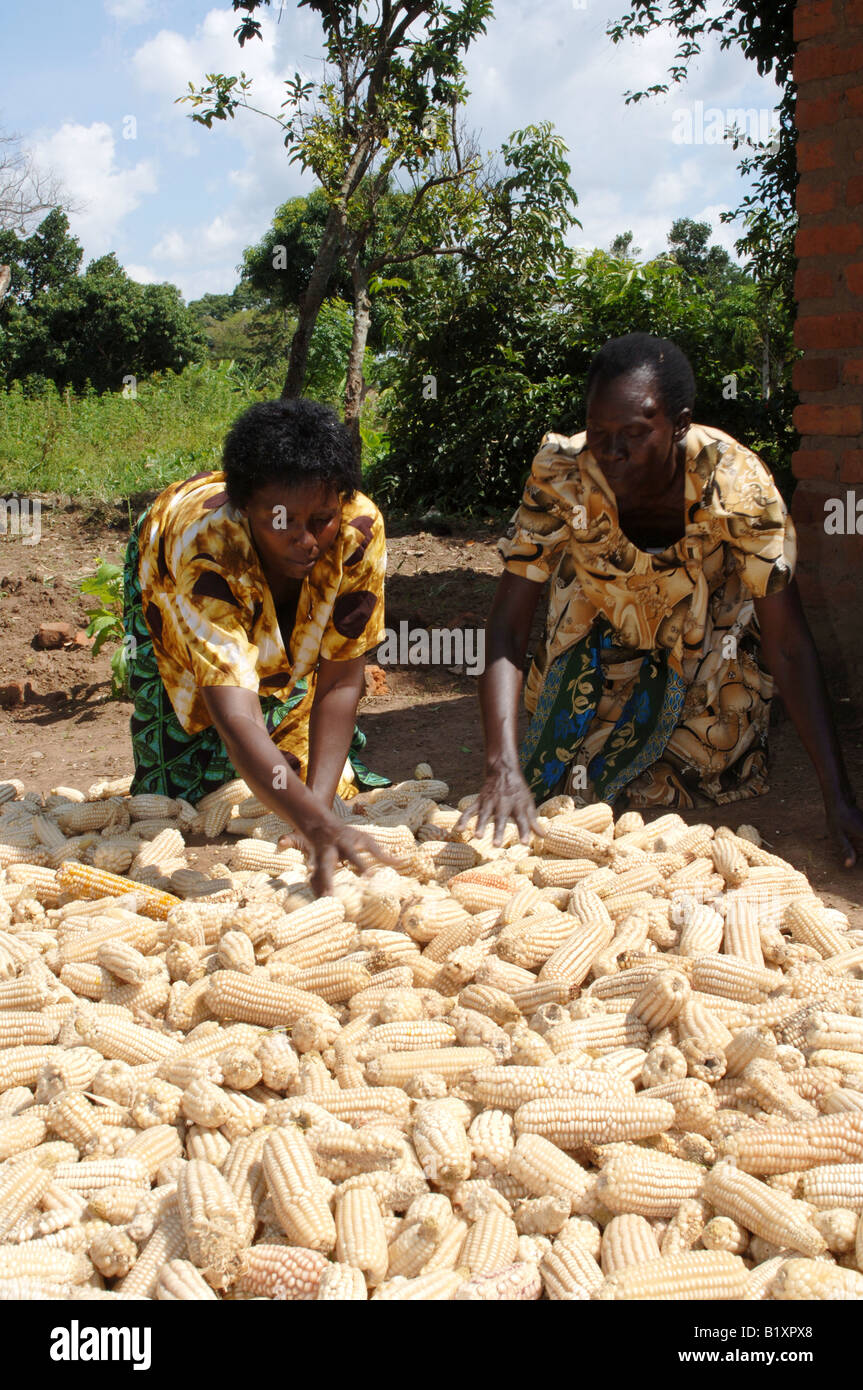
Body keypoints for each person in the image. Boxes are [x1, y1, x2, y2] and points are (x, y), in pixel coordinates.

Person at [467, 332, 863, 866]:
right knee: (567, 769)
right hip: (599, 630)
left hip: (701, 644)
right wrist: (501, 767)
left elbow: (789, 644)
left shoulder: (735, 485)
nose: (611, 453)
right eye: (599, 432)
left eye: (633, 433)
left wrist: (839, 800)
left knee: (703, 763)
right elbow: (508, 629)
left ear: (678, 424)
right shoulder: (562, 474)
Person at [122, 396, 394, 893]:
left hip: (272, 604)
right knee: (180, 790)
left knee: (315, 779)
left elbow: (339, 678)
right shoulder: (204, 551)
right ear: (246, 505)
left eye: (321, 520)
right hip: (165, 560)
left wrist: (315, 811)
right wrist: (318, 824)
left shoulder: (357, 529)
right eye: (282, 520)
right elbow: (237, 717)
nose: (306, 540)